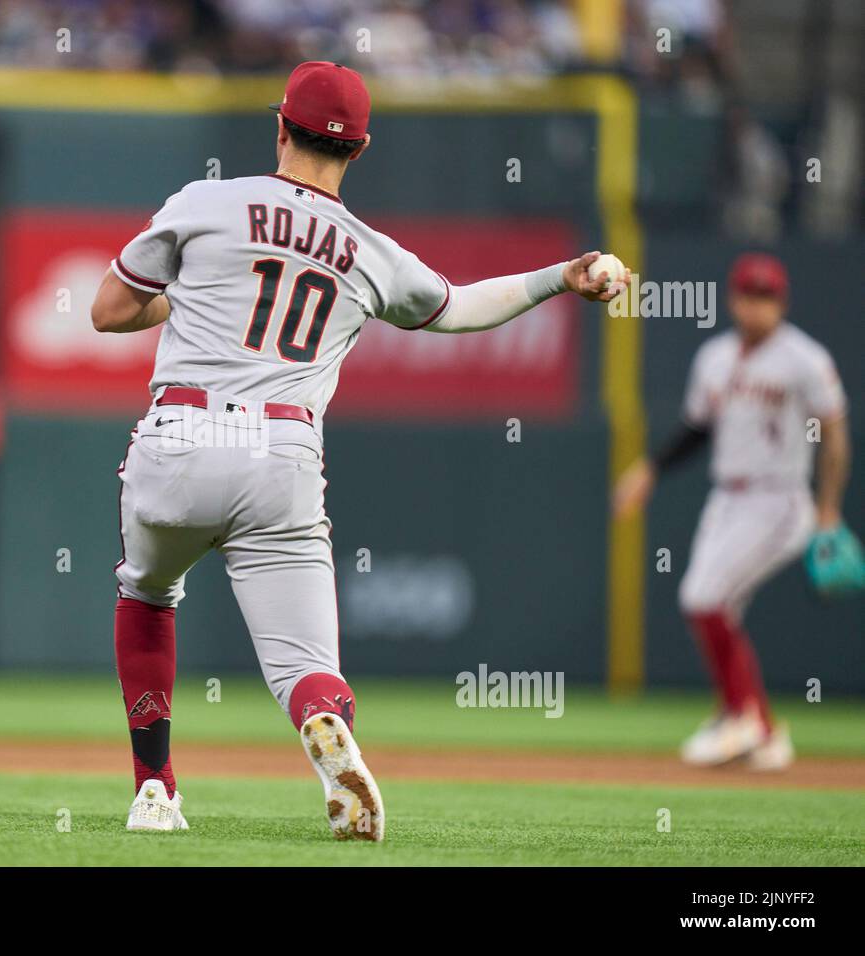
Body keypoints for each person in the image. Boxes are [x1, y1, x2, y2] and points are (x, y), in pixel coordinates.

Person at [92, 61, 624, 838]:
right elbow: (459, 310)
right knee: (308, 666)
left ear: (279, 125)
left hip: (181, 434)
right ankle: (322, 723)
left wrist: (197, 296)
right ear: (361, 149)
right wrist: (560, 276)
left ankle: (154, 791)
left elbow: (110, 310)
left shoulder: (205, 202)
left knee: (147, 593)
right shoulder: (371, 251)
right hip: (280, 449)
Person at [614, 253, 850, 771]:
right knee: (712, 606)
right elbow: (696, 429)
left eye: (766, 297)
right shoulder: (714, 358)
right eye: (748, 295)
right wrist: (648, 472)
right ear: (732, 298)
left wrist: (829, 509)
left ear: (781, 303)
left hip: (780, 499)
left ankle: (741, 717)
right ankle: (763, 731)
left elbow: (834, 434)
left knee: (704, 597)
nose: (756, 306)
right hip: (727, 498)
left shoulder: (805, 359)